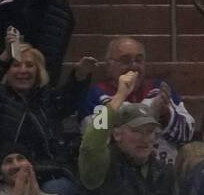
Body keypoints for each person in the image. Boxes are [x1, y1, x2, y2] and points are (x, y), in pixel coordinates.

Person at [0, 37, 92, 195]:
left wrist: (79, 77)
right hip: (3, 172)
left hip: (46, 172)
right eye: (16, 65)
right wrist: (4, 57)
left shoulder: (47, 98)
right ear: (7, 70)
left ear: (38, 71)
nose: (23, 70)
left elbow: (68, 100)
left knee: (60, 189)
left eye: (29, 65)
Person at [80, 35, 194, 166]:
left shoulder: (159, 89)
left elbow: (187, 134)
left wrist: (166, 115)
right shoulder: (97, 94)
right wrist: (149, 114)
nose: (134, 66)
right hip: (119, 174)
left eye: (139, 60)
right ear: (109, 66)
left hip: (163, 173)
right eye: (125, 60)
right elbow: (94, 140)